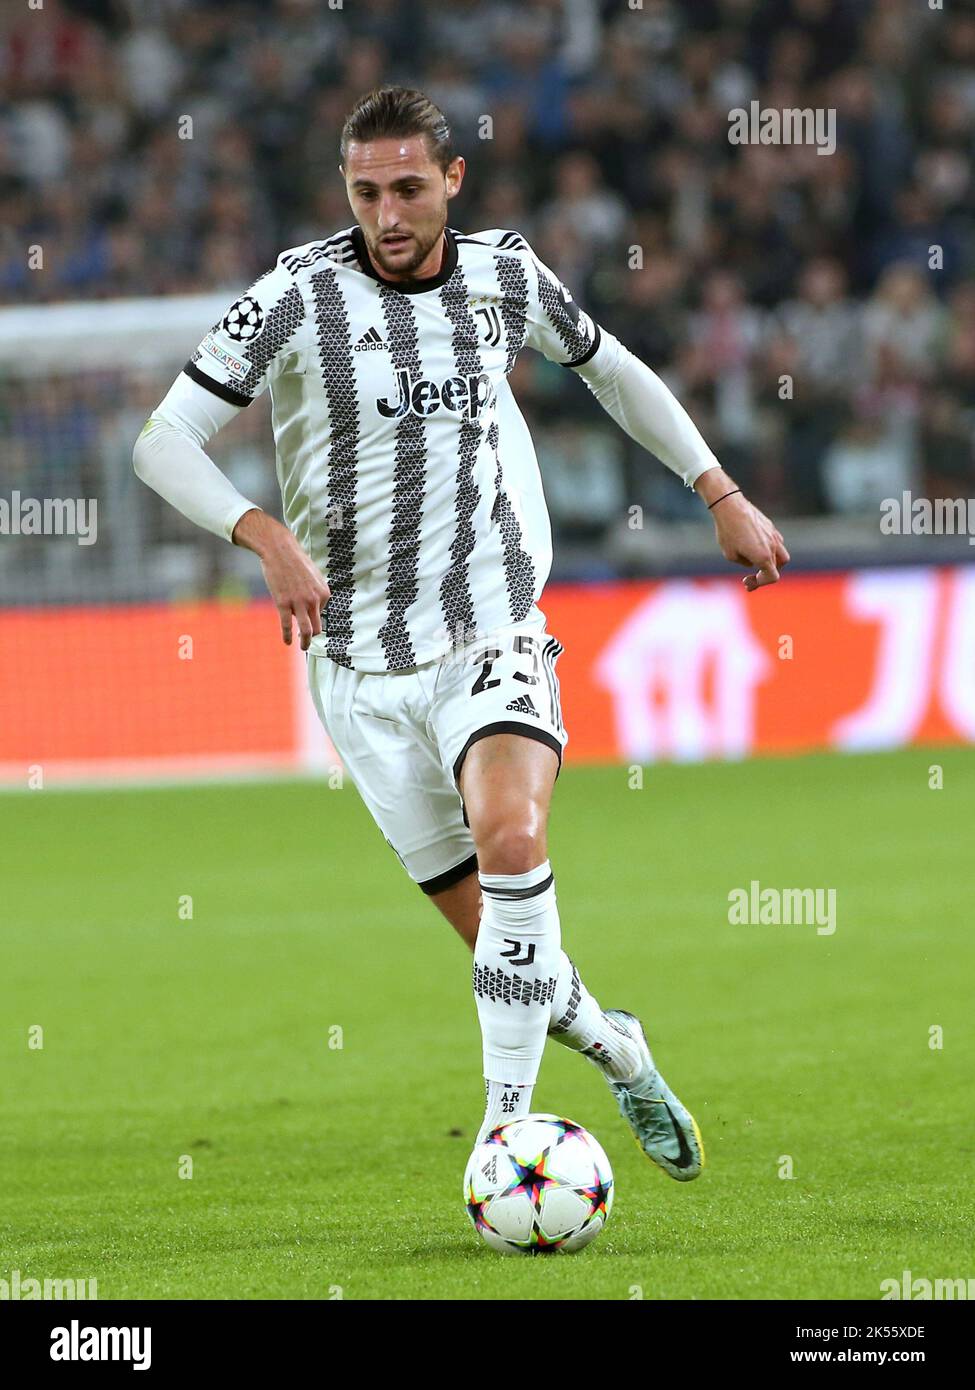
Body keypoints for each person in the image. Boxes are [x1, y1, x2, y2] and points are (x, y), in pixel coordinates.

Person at [134, 86, 789, 1178]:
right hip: (358, 671)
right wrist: (261, 533)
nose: (386, 214)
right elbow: (165, 440)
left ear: (452, 181)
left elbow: (614, 373)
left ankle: (503, 1138)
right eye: (364, 191)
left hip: (491, 626)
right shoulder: (297, 295)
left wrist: (717, 489)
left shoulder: (505, 277)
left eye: (405, 188)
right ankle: (617, 1045)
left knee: (517, 842)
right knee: (500, 940)